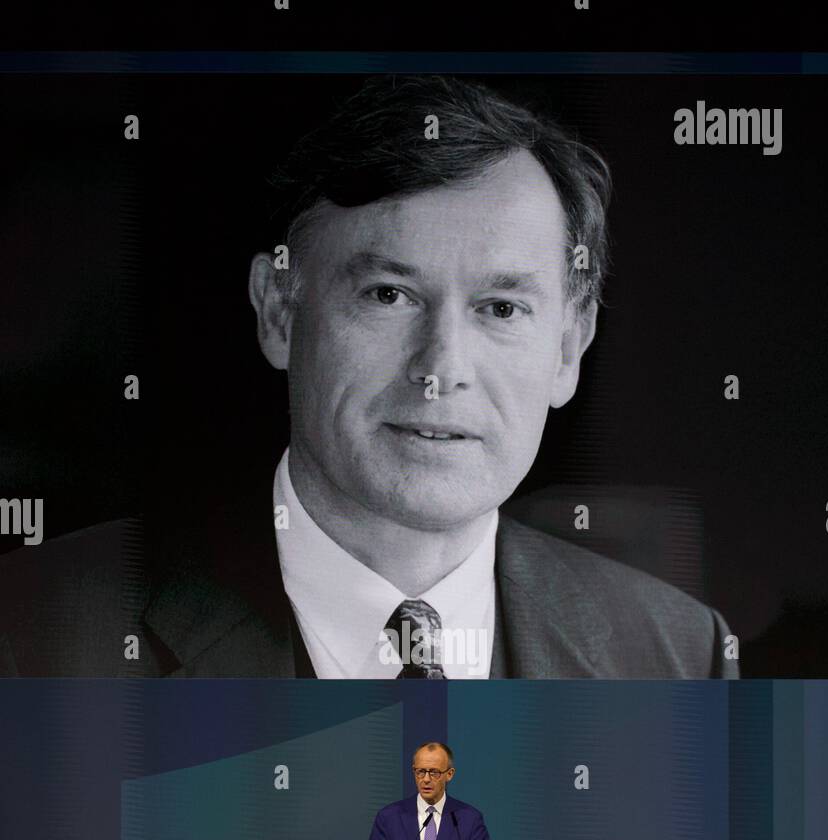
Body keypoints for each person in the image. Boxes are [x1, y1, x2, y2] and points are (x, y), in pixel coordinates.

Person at [0, 75, 737, 680]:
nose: (441, 369)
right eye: (390, 295)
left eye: (502, 307)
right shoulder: (32, 632)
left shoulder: (677, 655)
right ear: (280, 313)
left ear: (569, 350)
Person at [359, 740, 502, 840]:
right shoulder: (389, 818)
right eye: (420, 772)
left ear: (449, 774)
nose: (426, 779)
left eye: (434, 772)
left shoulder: (468, 819)